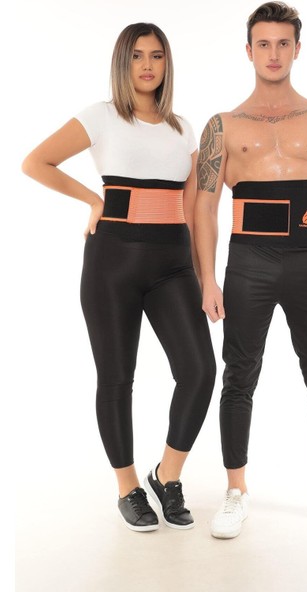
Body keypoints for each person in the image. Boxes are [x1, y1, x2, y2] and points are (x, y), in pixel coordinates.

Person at [22, 22, 216, 532]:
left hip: (173, 264)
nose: (147, 65)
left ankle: (166, 475)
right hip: (112, 262)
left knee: (199, 371)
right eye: (136, 56)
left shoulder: (184, 129)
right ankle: (128, 487)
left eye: (156, 55)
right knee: (116, 378)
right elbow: (35, 162)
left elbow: (195, 210)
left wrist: (205, 278)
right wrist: (93, 199)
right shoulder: (101, 116)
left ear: (167, 63)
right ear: (122, 62)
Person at [194, 1, 307, 538]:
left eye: (283, 43)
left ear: (297, 48)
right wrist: (208, 278)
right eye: (263, 43)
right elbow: (204, 206)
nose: (273, 53)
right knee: (239, 374)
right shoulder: (223, 126)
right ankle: (235, 491)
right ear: (248, 50)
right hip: (248, 262)